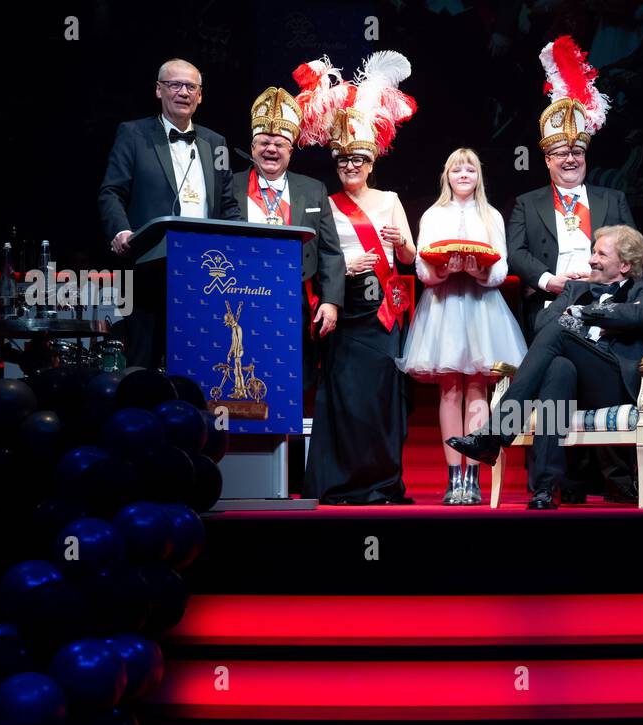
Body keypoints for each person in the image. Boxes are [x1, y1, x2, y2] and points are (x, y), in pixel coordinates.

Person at [447, 226, 643, 510]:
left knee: (561, 330)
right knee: (559, 369)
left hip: (613, 384)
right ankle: (545, 489)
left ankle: (497, 430)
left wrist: (582, 312)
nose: (591, 260)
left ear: (624, 265)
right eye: (592, 252)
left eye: (601, 254)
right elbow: (542, 325)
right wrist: (576, 307)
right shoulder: (576, 288)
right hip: (574, 383)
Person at [506, 35, 636, 501]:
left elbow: (633, 257)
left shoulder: (612, 199)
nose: (570, 159)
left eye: (577, 152)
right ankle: (555, 484)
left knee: (562, 370)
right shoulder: (527, 202)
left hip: (604, 308)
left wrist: (602, 281)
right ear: (546, 159)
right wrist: (550, 280)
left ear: (586, 156)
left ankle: (616, 479)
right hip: (552, 302)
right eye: (561, 154)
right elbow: (515, 252)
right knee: (558, 373)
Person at [293, 52, 418, 504]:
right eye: (344, 161)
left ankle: (382, 483)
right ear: (337, 163)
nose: (351, 167)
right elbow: (317, 257)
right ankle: (342, 483)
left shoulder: (390, 199)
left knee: (382, 399)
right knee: (345, 398)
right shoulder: (321, 202)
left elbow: (410, 256)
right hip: (343, 306)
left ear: (371, 162)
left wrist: (399, 241)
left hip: (383, 311)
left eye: (359, 161)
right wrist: (344, 267)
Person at [398, 149, 528, 505]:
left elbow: (501, 268)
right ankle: (452, 476)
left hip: (482, 308)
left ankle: (473, 476)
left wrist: (477, 270)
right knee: (449, 390)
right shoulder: (433, 214)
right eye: (457, 168)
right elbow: (422, 268)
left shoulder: (492, 216)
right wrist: (443, 270)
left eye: (471, 167)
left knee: (477, 389)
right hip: (444, 308)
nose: (464, 173)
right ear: (447, 176)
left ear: (479, 176)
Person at [97, 59, 240, 366]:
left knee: (198, 362)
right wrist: (121, 231)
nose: (183, 92)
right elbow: (111, 191)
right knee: (142, 364)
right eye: (174, 85)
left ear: (200, 95)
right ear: (158, 91)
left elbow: (228, 207)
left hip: (202, 272)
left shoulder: (216, 144)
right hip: (147, 269)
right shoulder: (133, 134)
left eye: (191, 86)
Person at [232, 86, 344, 348]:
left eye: (279, 143)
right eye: (264, 142)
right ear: (253, 146)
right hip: (241, 296)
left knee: (294, 376)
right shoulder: (229, 185)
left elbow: (330, 252)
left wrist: (330, 301)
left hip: (297, 300)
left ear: (290, 150)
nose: (271, 149)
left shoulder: (314, 189)